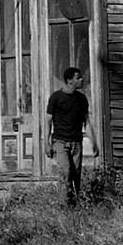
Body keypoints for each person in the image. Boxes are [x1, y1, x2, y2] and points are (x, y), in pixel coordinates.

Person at [46, 67, 99, 205]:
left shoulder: (81, 99)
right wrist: (47, 143)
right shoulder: (56, 97)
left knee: (76, 174)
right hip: (60, 142)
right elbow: (48, 121)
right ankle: (63, 204)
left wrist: (94, 142)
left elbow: (87, 122)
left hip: (76, 142)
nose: (81, 80)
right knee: (66, 171)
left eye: (81, 77)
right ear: (69, 80)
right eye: (78, 78)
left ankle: (75, 205)